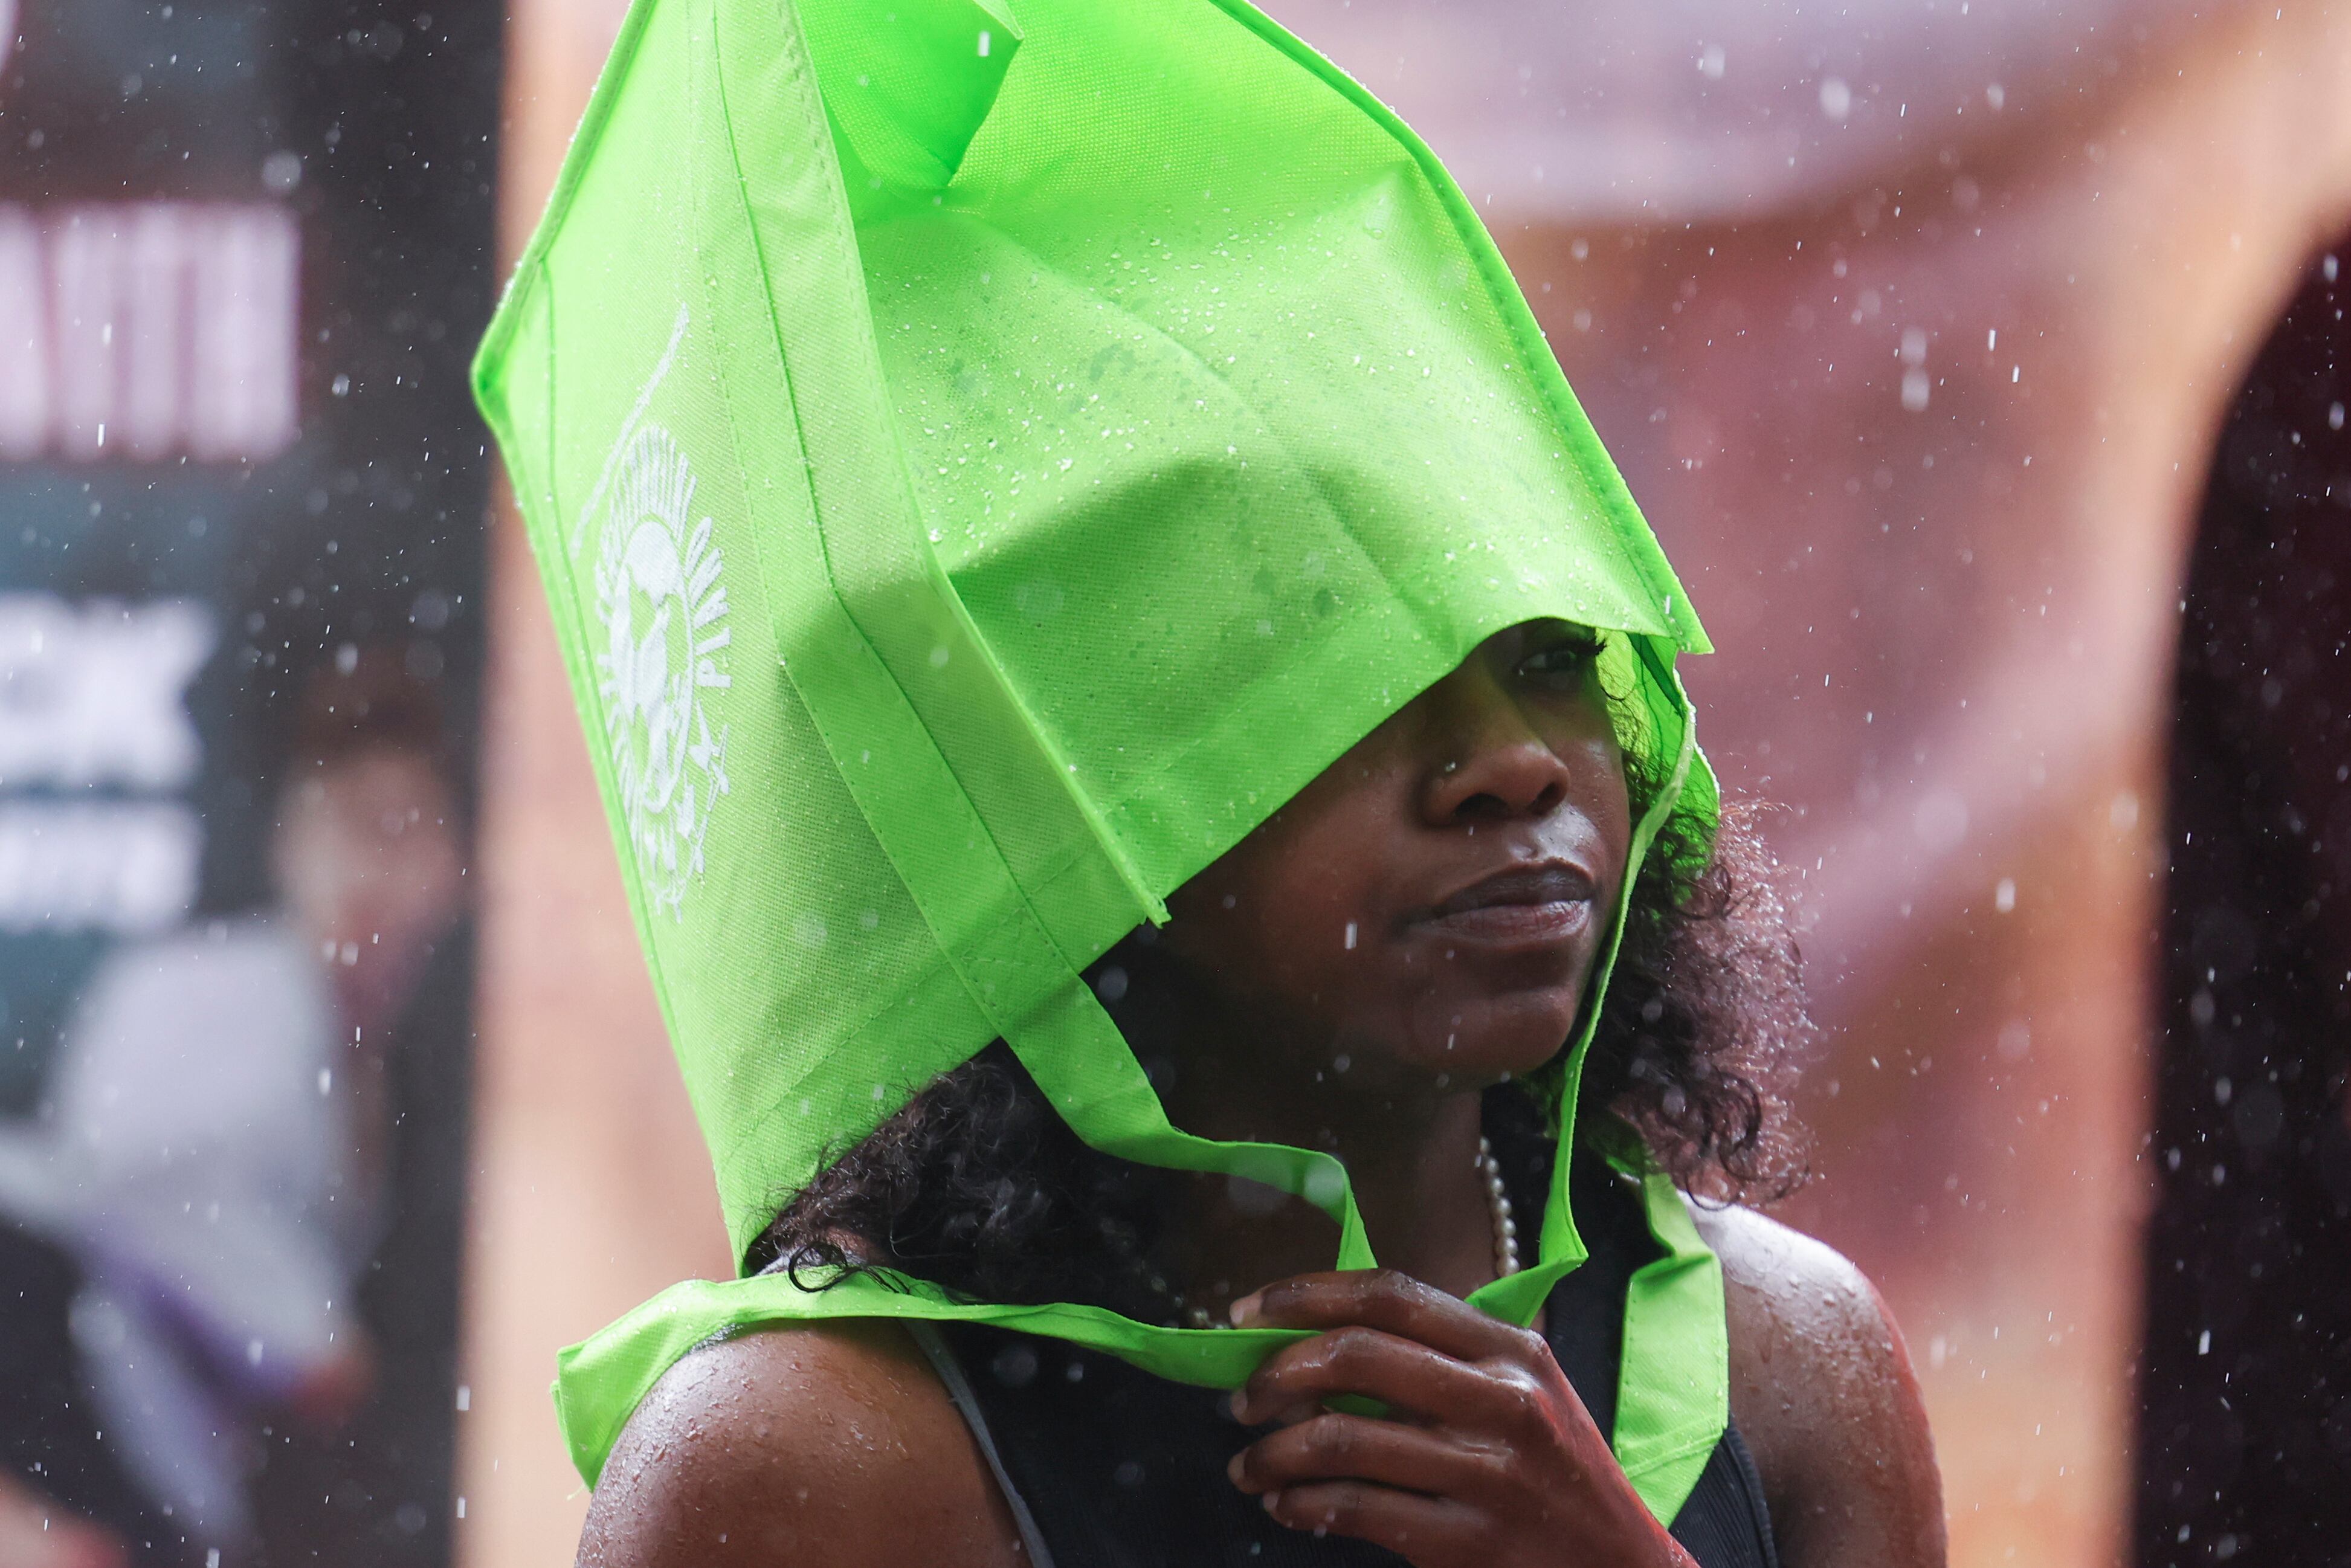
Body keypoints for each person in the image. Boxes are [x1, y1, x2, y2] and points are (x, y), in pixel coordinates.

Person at [474, 0, 1947, 1562]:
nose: (1510, 766)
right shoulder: (812, 1464)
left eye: (1547, 653)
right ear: (1068, 817)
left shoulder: (1784, 1363)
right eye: (1339, 685)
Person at [0, 647, 463, 1560]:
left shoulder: (389, 1072)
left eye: (403, 833)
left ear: (457, 869)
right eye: (345, 827)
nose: (366, 876)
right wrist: (309, 1342)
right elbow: (133, 1180)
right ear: (288, 843)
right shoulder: (213, 986)